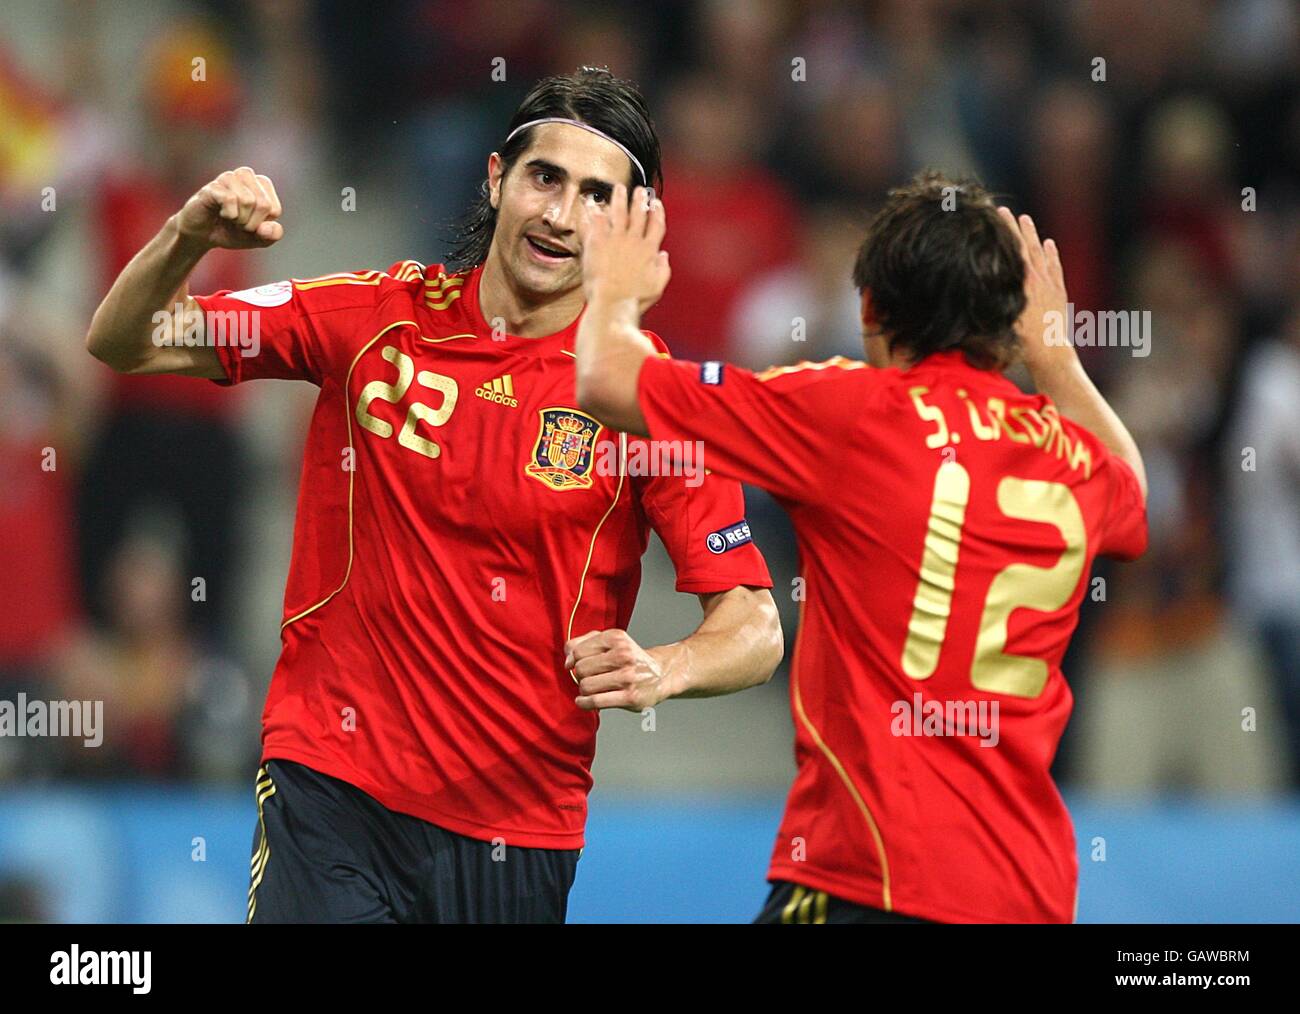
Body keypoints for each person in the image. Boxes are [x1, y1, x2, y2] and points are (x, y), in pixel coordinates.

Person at [84, 68, 781, 924]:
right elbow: (126, 342)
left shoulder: (649, 399)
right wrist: (188, 235)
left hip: (516, 827)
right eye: (544, 178)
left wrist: (666, 667)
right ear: (497, 179)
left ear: (633, 226)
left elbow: (754, 625)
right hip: (333, 784)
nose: (560, 215)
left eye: (596, 196)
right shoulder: (375, 317)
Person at [572, 171, 1148, 923]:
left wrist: (615, 289)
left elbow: (606, 380)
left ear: (870, 309)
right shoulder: (1070, 458)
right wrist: (1056, 358)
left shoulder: (852, 413)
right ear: (1008, 325)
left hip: (872, 873)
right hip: (1027, 887)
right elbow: (1133, 494)